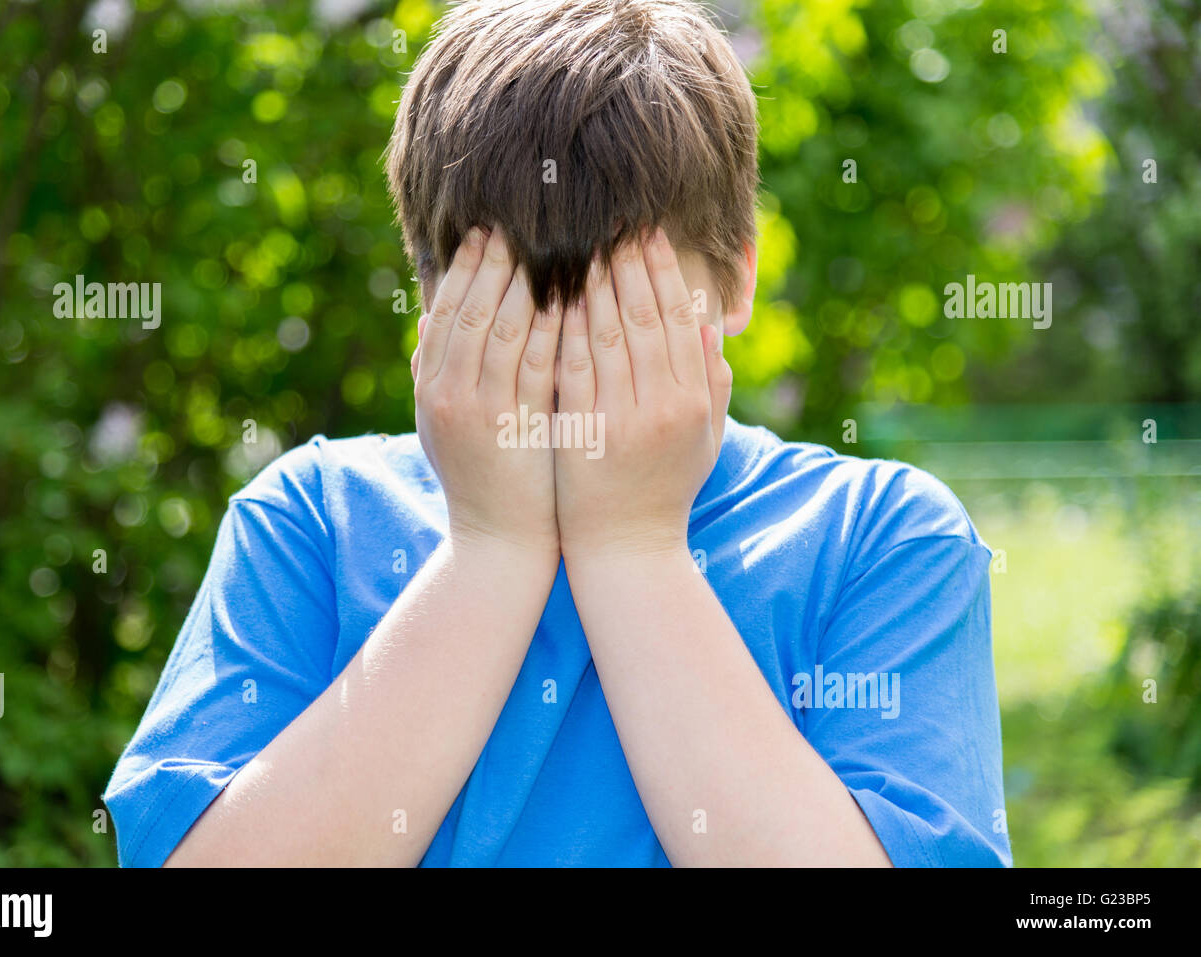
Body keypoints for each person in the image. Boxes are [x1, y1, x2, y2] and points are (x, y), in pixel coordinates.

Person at [103, 0, 1011, 867]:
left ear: (735, 282)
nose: (566, 367)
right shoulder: (309, 521)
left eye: (621, 317)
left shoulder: (882, 538)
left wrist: (634, 547)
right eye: (511, 315)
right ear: (431, 298)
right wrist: (489, 548)